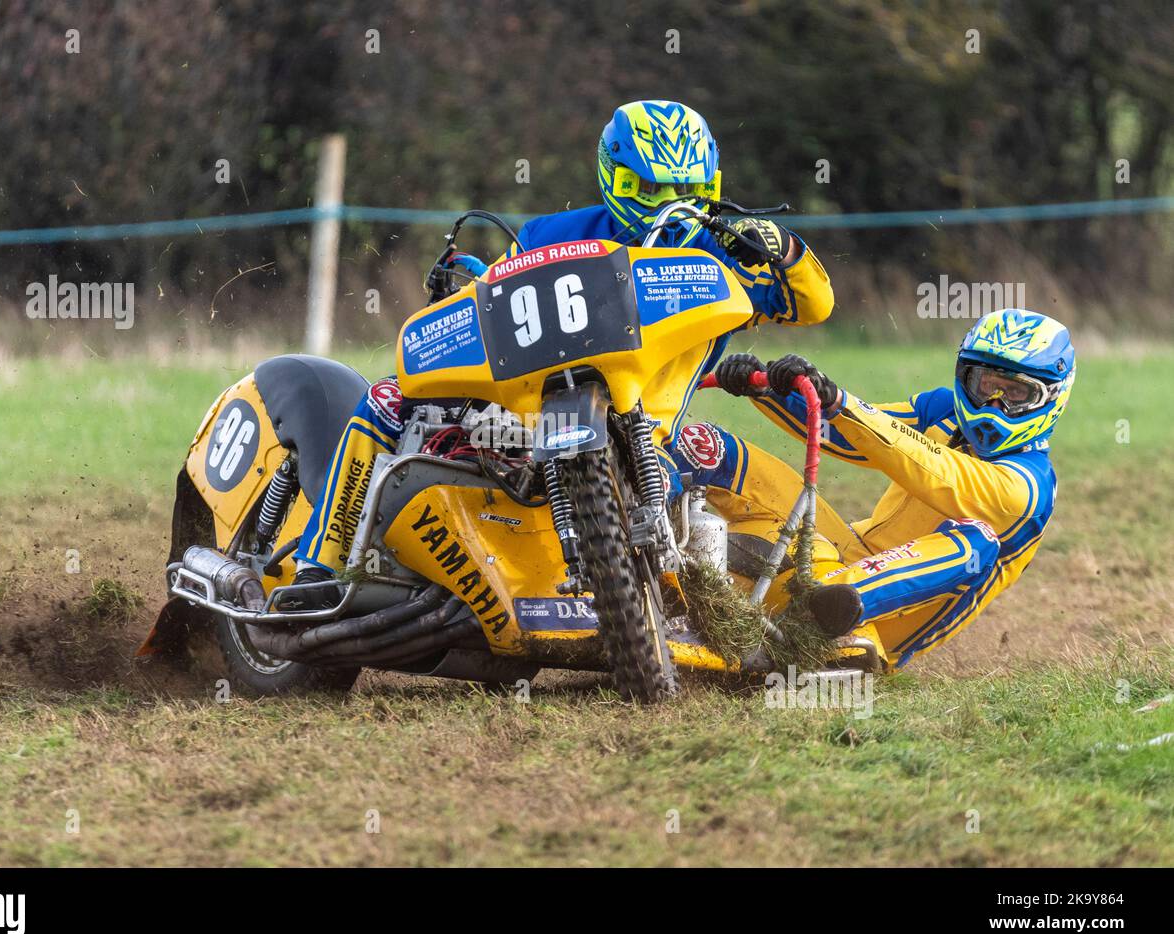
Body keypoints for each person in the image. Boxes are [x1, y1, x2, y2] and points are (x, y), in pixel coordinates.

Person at [289, 99, 837, 601]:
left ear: (711, 185)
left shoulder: (726, 255)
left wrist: (786, 250)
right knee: (387, 399)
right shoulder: (550, 234)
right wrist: (475, 282)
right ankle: (320, 569)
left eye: (687, 192)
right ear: (615, 177)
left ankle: (703, 597)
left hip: (652, 436)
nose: (670, 207)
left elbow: (813, 305)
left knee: (697, 485)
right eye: (650, 191)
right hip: (523, 417)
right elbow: (494, 301)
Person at [671, 308, 1075, 669]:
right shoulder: (944, 409)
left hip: (884, 617)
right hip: (841, 554)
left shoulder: (1028, 486)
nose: (993, 404)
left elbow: (929, 467)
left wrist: (843, 403)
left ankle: (830, 619)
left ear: (1051, 397)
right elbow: (850, 436)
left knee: (978, 541)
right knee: (705, 446)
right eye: (985, 384)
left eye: (1016, 392)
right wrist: (770, 391)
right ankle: (633, 559)